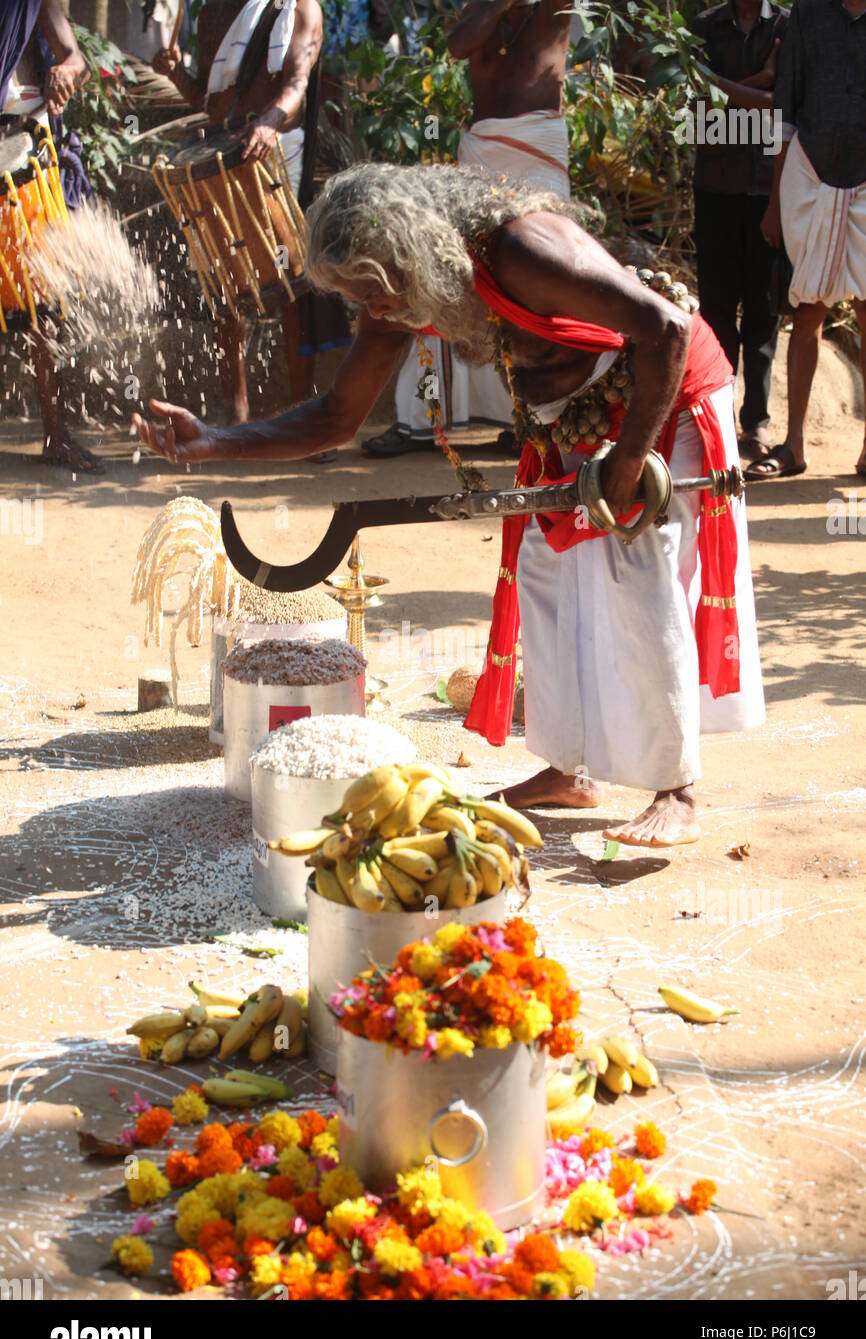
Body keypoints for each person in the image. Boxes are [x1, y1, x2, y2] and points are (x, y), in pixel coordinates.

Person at [134, 162, 765, 848]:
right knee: (544, 576)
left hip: (662, 401)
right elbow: (335, 420)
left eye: (375, 292)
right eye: (358, 299)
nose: (374, 312)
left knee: (640, 581)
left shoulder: (524, 248)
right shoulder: (400, 297)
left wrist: (632, 456)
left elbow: (666, 328)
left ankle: (677, 789)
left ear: (413, 251)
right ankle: (568, 770)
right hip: (575, 419)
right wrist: (213, 442)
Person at [363, 0, 573, 458]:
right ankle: (421, 418)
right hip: (482, 156)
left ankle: (537, 418)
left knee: (540, 290)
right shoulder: (481, 12)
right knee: (449, 281)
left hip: (537, 151)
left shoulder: (556, 9)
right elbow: (457, 46)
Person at [154, 0, 350, 442]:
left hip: (277, 146)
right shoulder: (213, 14)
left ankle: (302, 419)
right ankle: (236, 419)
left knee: (291, 284)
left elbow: (297, 81)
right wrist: (175, 74)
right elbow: (211, 103)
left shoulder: (301, 8)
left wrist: (268, 123)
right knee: (225, 285)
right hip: (225, 149)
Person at [757, 0, 866, 479]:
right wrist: (776, 201)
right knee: (807, 312)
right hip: (810, 174)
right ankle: (794, 445)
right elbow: (785, 107)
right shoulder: (808, 12)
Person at [1, 0, 99, 473]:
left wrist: (66, 70)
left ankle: (55, 437)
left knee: (44, 307)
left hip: (27, 156)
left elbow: (76, 58)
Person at [689, 0, 789, 461]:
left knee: (764, 314)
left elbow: (784, 106)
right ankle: (720, 417)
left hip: (768, 191)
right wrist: (762, 84)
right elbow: (698, 110)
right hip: (715, 188)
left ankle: (757, 423)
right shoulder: (705, 28)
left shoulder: (788, 26)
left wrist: (730, 89)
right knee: (716, 310)